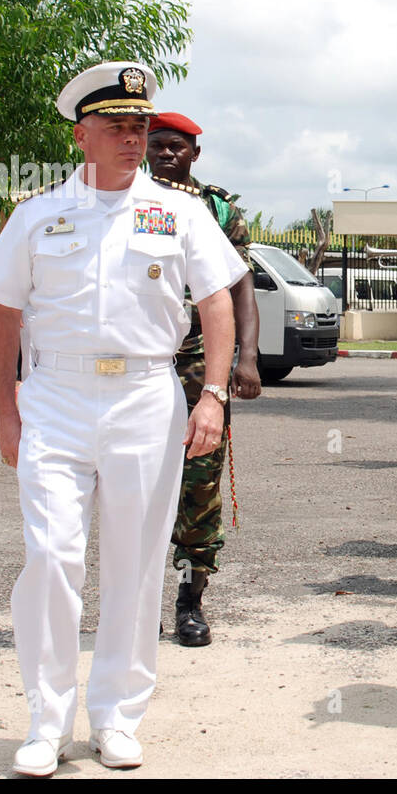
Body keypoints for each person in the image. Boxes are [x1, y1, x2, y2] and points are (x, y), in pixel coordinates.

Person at [0, 61, 248, 777]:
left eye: (140, 127)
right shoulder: (36, 214)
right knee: (50, 558)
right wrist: (7, 413)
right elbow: (2, 314)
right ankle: (46, 720)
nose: (134, 139)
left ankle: (118, 719)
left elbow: (217, 301)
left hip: (144, 398)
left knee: (136, 563)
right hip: (55, 400)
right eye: (118, 128)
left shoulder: (181, 211)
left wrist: (212, 394)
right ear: (82, 136)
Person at [145, 111, 261, 648]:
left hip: (197, 363)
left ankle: (190, 601)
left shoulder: (216, 209)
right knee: (137, 486)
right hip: (140, 361)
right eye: (157, 145)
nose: (165, 154)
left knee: (199, 485)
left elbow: (240, 288)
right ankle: (138, 603)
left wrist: (247, 357)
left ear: (195, 153)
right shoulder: (128, 199)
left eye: (176, 147)